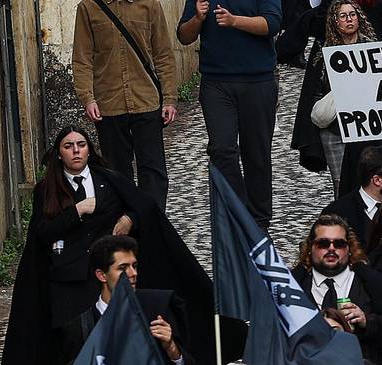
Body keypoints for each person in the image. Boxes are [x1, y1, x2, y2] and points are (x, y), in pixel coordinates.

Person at [177, 0, 282, 229]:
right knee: (221, 149)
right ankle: (239, 214)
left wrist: (235, 21)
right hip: (216, 82)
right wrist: (197, 19)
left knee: (257, 153)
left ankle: (260, 221)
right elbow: (184, 36)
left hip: (258, 79)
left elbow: (272, 24)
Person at [72, 0, 176, 202]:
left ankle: (152, 224)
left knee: (153, 172)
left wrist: (170, 98)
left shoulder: (150, 5)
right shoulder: (88, 7)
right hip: (109, 104)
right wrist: (87, 98)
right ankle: (124, 224)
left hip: (146, 100)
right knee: (116, 173)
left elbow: (163, 54)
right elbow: (82, 58)